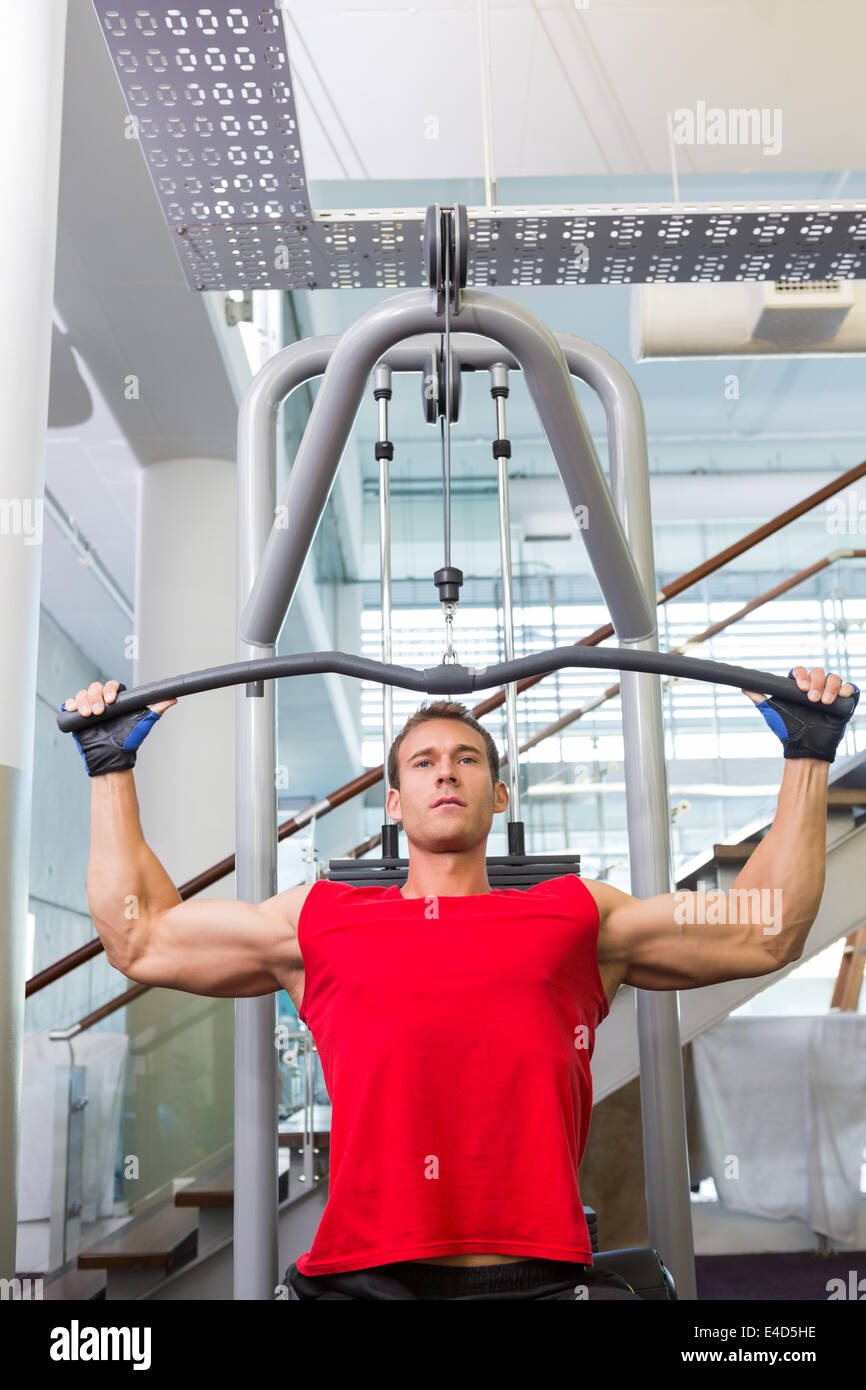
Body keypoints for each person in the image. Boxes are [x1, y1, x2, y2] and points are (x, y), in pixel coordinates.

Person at [61, 664, 859, 1301]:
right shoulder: (318, 921)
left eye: (468, 759)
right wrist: (110, 768)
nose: (448, 774)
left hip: (539, 1275)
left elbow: (766, 930)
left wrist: (809, 756)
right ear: (395, 800)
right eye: (425, 762)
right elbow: (141, 937)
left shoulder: (579, 917)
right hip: (361, 1279)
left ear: (499, 794)